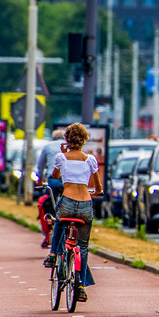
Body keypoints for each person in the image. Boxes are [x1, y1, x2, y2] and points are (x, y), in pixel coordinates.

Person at [41, 123, 103, 301]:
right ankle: (81, 285)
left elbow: (54, 176)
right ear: (84, 140)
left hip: (67, 202)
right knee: (83, 247)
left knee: (59, 223)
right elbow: (97, 187)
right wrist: (97, 193)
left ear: (67, 140)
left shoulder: (62, 157)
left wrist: (63, 152)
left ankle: (52, 254)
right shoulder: (90, 160)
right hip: (85, 205)